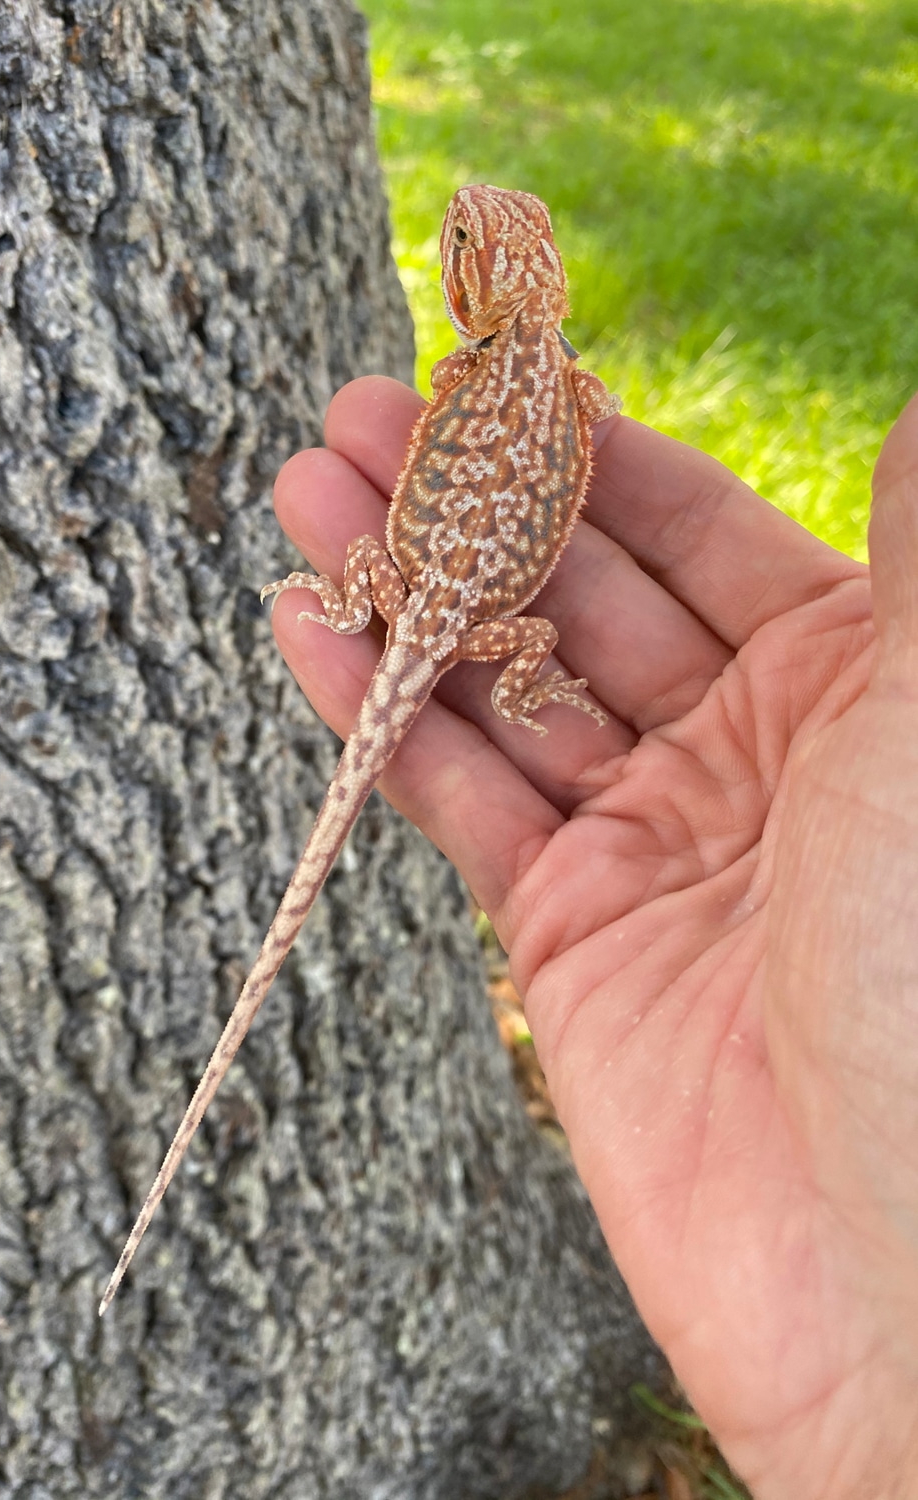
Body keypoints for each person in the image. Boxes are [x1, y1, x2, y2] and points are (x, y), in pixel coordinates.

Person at [270, 376, 918, 1498]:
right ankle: (445, 659)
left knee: (362, 594)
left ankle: (341, 612)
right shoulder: (563, 388)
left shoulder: (481, 377)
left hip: (415, 594)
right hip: (476, 621)